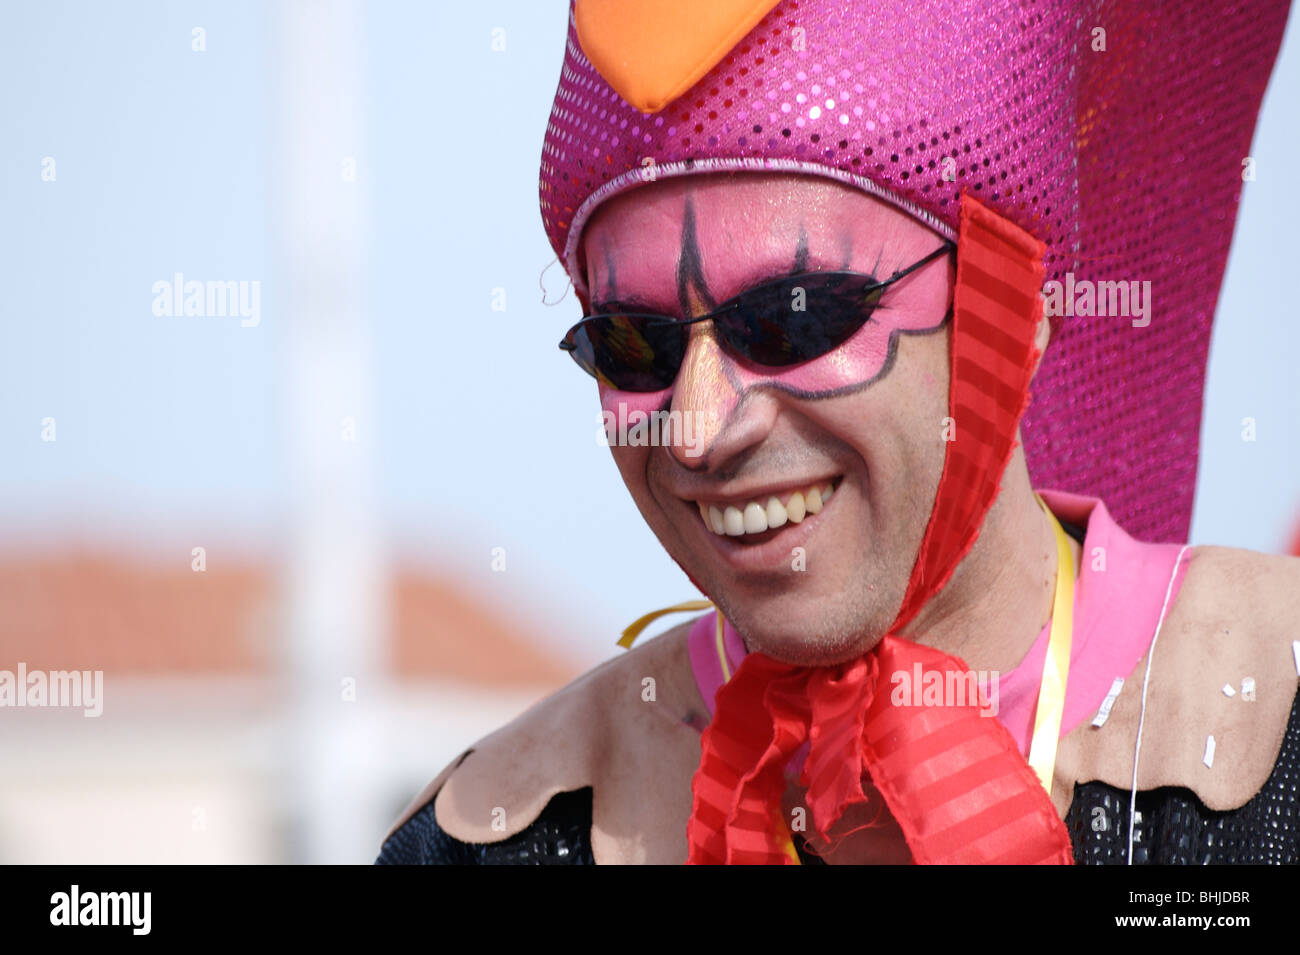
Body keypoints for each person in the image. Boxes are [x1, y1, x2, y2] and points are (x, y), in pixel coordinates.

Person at [377, 0, 1298, 864]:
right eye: (631, 344)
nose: (700, 430)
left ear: (1015, 307)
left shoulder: (1276, 703)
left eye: (794, 315)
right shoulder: (497, 830)